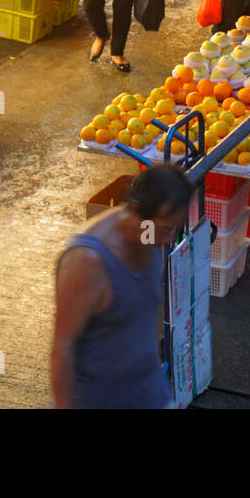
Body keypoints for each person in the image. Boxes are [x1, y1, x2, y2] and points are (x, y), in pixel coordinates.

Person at [51, 164, 191, 409]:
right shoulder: (86, 263)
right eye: (165, 229)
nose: (168, 240)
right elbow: (63, 345)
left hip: (149, 393)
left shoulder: (150, 237)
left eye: (173, 229)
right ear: (135, 211)